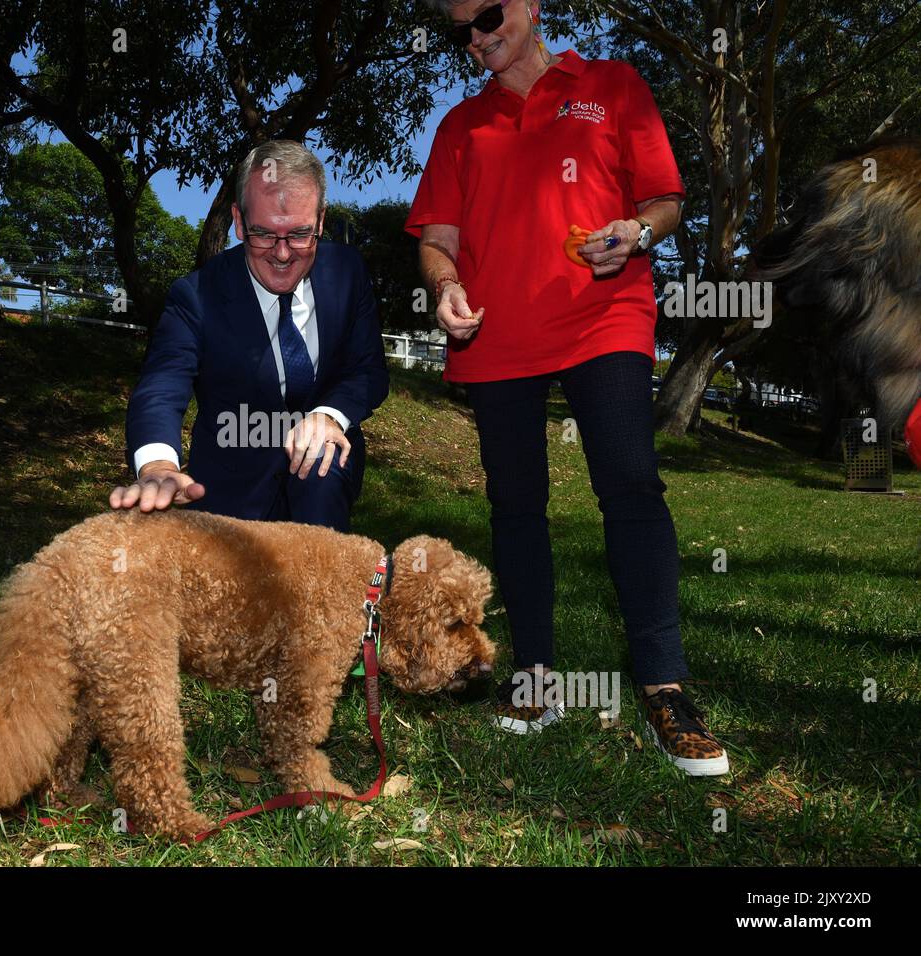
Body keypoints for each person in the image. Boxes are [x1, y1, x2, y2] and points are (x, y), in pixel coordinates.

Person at [410, 0, 728, 775]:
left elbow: (666, 202)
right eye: (461, 31)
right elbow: (437, 238)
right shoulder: (461, 126)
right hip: (496, 332)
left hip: (604, 314)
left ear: (530, 6)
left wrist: (635, 235)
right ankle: (537, 675)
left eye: (488, 15)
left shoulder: (613, 85)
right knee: (515, 504)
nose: (478, 36)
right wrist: (444, 286)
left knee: (628, 480)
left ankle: (664, 685)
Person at [111, 140, 389, 532]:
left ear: (321, 222)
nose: (281, 253)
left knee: (318, 542)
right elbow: (162, 385)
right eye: (262, 234)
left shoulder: (348, 273)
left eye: (299, 234)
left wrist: (328, 416)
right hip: (228, 484)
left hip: (322, 480)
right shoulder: (195, 297)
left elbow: (367, 370)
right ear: (239, 222)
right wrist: (158, 465)